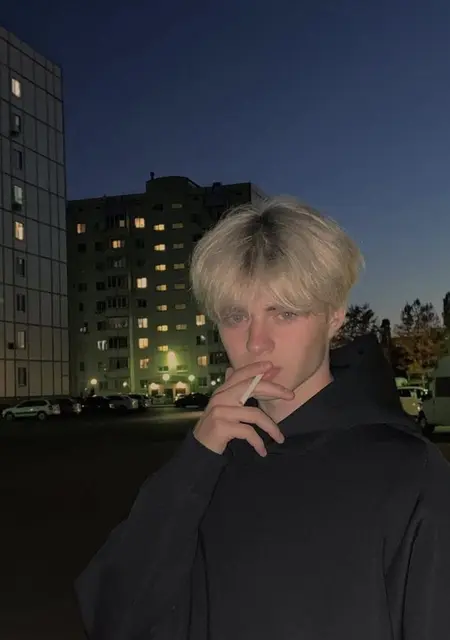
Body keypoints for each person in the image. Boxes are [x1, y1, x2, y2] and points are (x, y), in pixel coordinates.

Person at [75, 197, 450, 640]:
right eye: (236, 316)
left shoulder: (408, 472)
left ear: (334, 315)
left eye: (284, 312)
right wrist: (194, 460)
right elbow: (114, 616)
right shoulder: (210, 462)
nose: (256, 342)